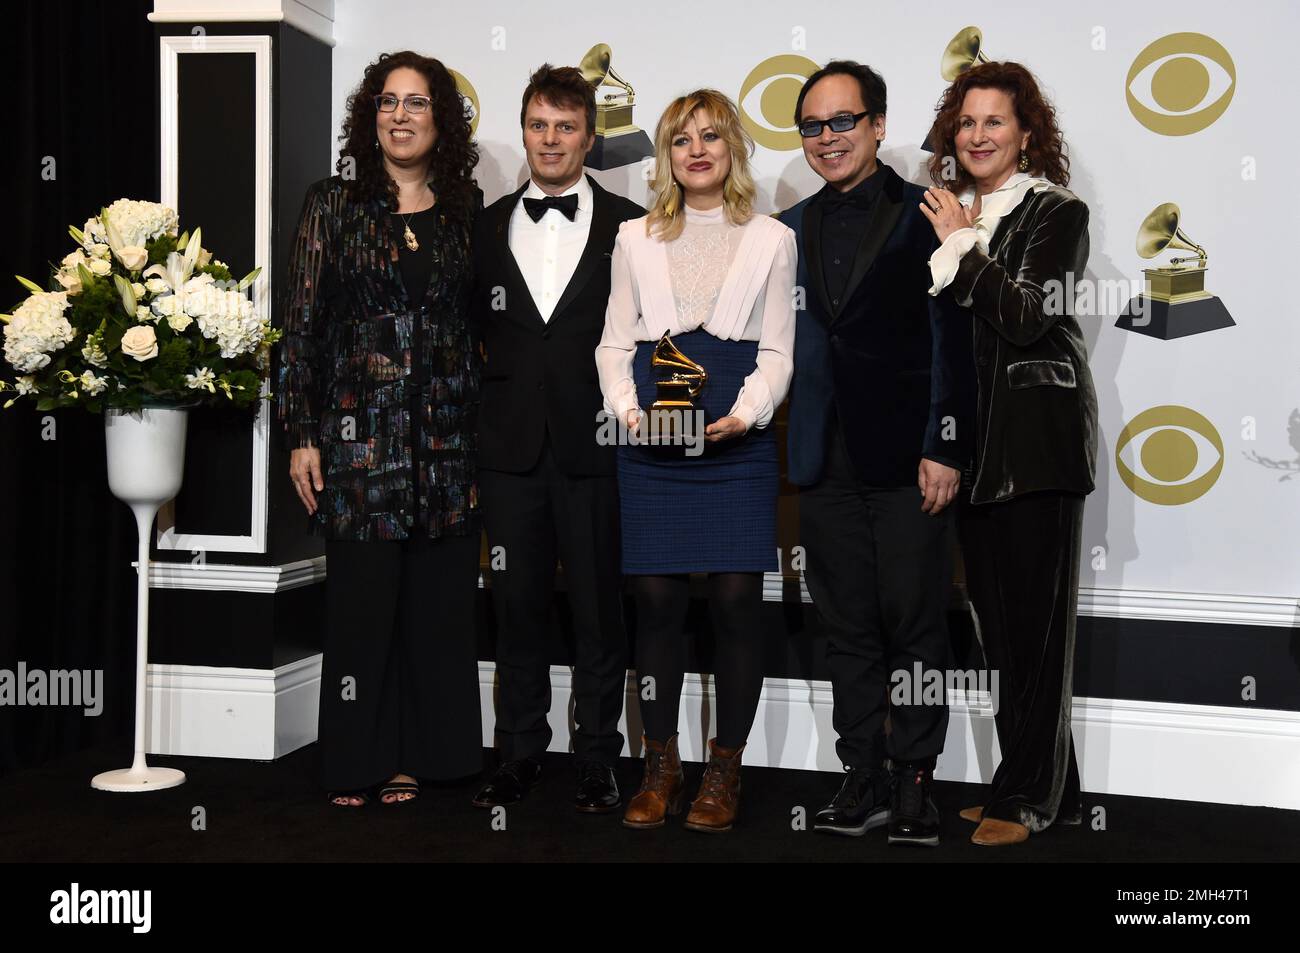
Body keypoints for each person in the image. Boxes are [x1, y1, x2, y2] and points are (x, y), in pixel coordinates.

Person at [276, 51, 484, 807]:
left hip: (447, 446)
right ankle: (357, 759)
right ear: (371, 117)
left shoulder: (465, 207)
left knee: (436, 613)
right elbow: (298, 327)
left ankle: (426, 754)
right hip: (359, 446)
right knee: (364, 612)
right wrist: (301, 429)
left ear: (442, 122)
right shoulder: (332, 204)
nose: (400, 115)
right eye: (387, 102)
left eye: (417, 103)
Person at [779, 61, 974, 846]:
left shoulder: (928, 214)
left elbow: (951, 340)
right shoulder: (786, 228)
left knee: (916, 626)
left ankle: (916, 778)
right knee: (847, 627)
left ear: (879, 125)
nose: (828, 138)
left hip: (907, 461)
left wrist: (944, 445)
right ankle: (859, 770)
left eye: (843, 122)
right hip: (821, 461)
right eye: (813, 127)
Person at [597, 89, 796, 833]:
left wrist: (743, 415)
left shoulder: (773, 238)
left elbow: (777, 349)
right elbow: (617, 342)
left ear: (733, 147)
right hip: (652, 441)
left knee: (739, 600)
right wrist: (628, 412)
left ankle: (724, 768)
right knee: (655, 602)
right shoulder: (634, 237)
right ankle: (660, 765)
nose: (697, 150)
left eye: (712, 136)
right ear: (666, 156)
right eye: (682, 139)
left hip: (736, 442)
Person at [922, 60, 1096, 847]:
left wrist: (963, 242)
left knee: (1037, 628)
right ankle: (1040, 787)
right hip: (975, 448)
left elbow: (1027, 316)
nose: (979, 134)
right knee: (1002, 628)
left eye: (996, 121)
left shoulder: (1056, 211)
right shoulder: (951, 216)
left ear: (1027, 134)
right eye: (967, 121)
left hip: (1035, 443)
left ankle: (1028, 796)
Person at [469, 65, 643, 814]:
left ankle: (599, 756)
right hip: (508, 452)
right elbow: (476, 335)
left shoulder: (633, 226)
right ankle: (517, 752)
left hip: (598, 445)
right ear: (525, 130)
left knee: (601, 609)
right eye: (538, 125)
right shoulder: (483, 226)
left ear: (588, 138)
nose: (550, 139)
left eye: (565, 126)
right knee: (517, 606)